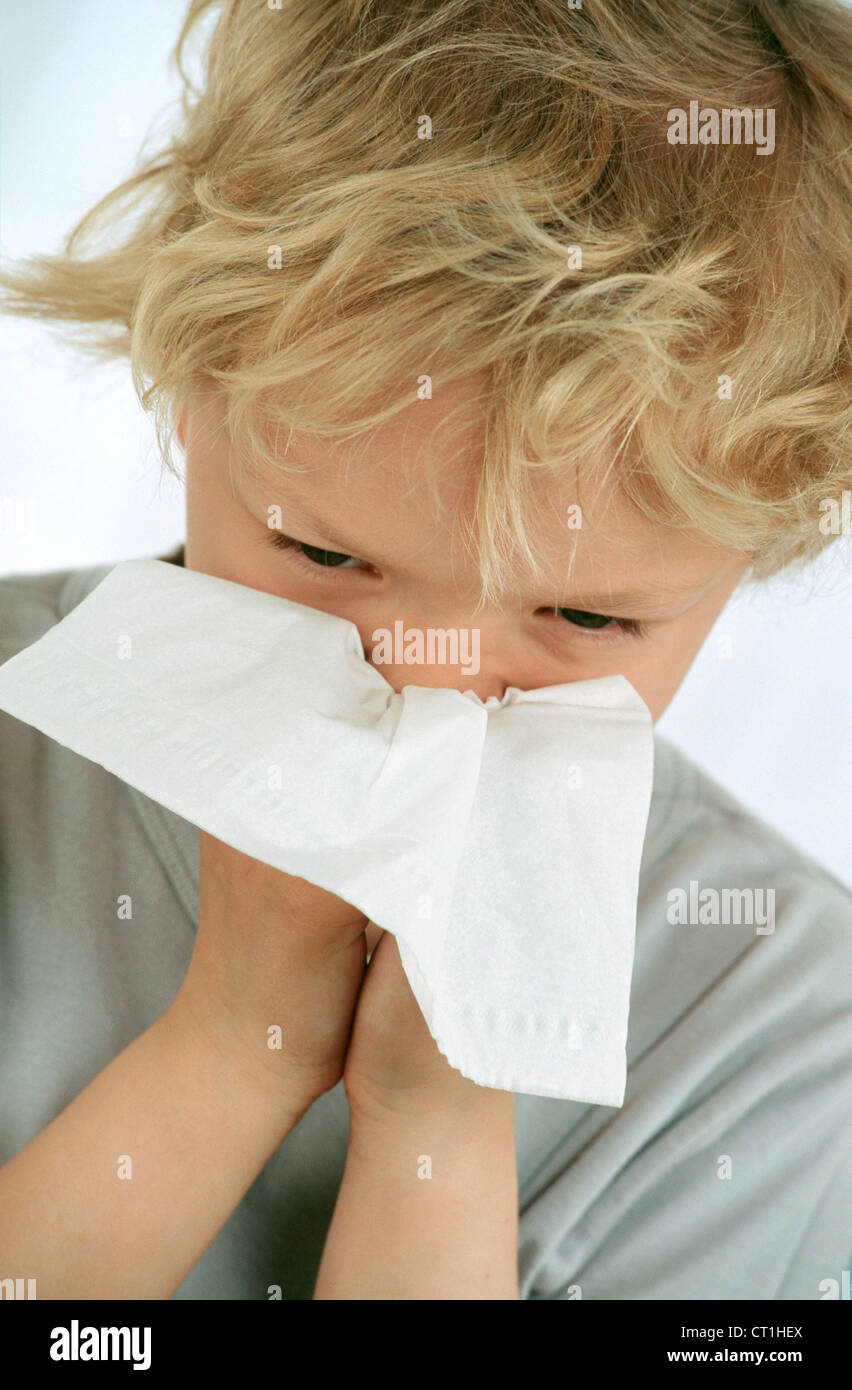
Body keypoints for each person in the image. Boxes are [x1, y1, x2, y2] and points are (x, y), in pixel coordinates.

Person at [0, 0, 850, 1300]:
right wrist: (234, 1046)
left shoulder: (785, 1028)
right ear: (191, 389)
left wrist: (441, 1137)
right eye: (327, 558)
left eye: (584, 617)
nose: (429, 682)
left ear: (756, 560)